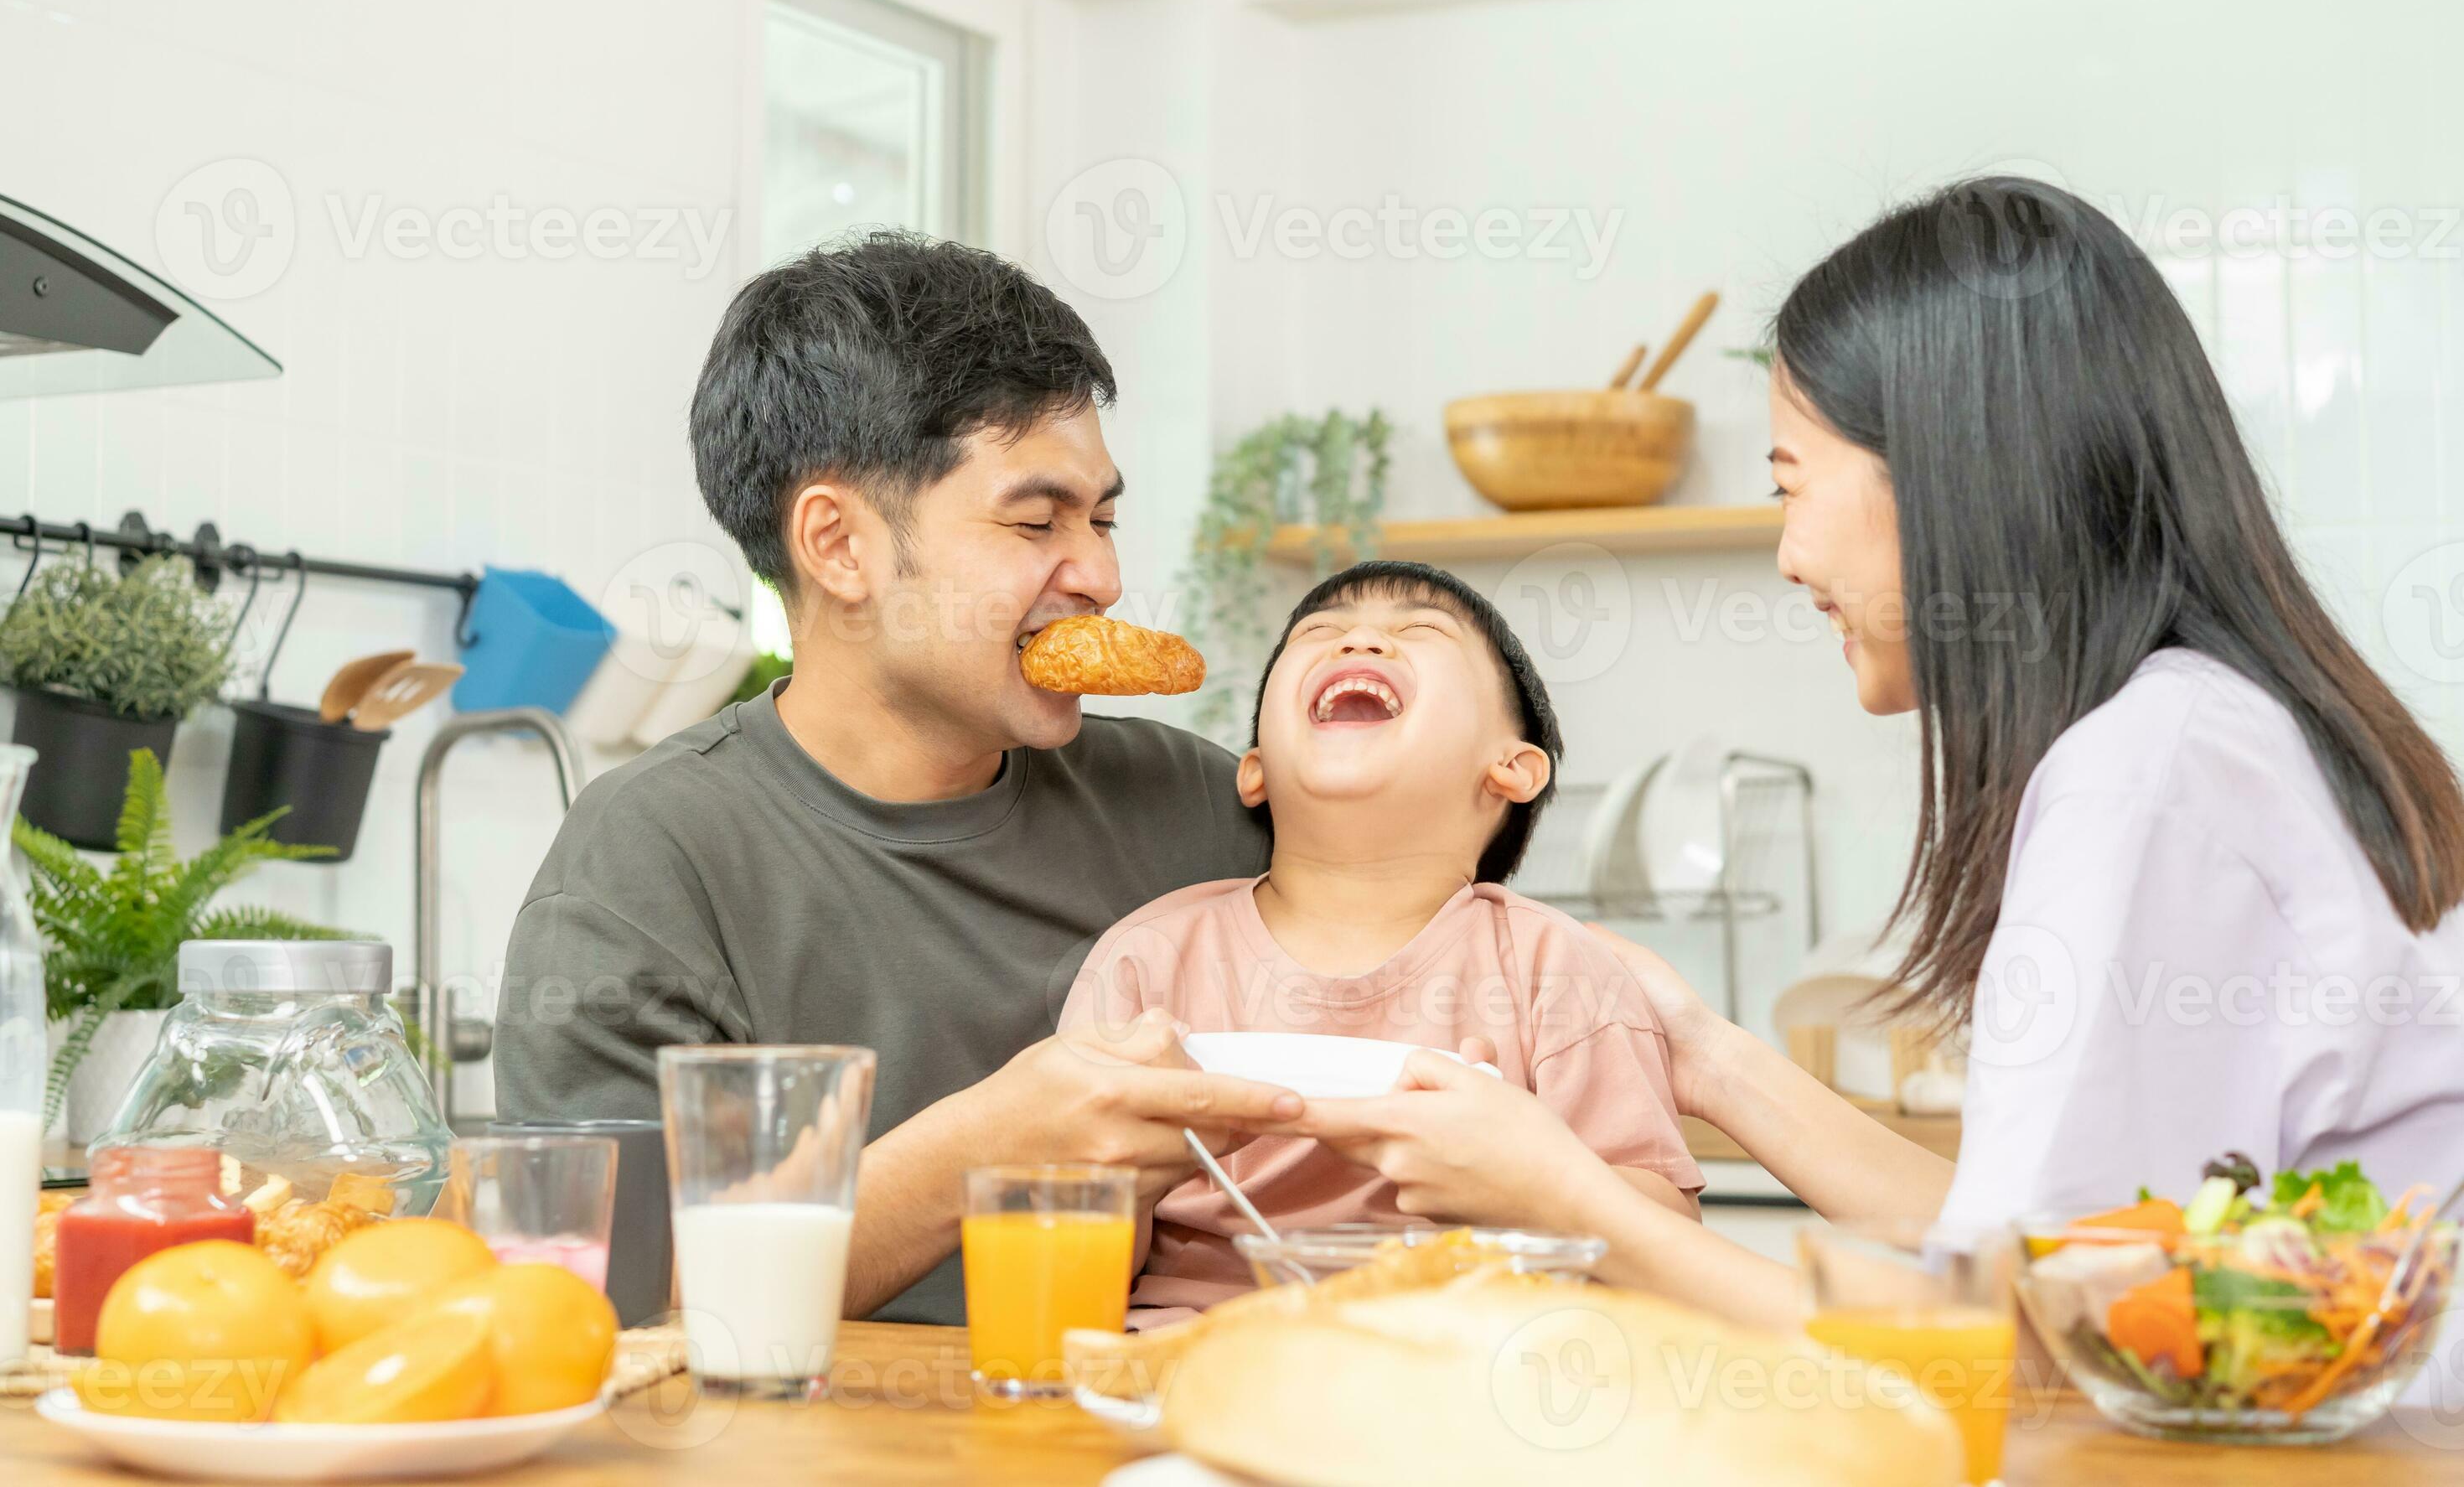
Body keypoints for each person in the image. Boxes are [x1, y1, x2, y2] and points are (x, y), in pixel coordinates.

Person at [1267, 178, 2464, 1328]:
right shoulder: (2199, 729)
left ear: (1949, 473)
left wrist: (1562, 1198)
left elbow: (2018, 1343)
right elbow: (2034, 1250)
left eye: (1791, 486)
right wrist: (1705, 1054)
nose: (1789, 557)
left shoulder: (2142, 778)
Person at [492, 231, 1302, 1326]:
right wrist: (990, 1148)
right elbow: (595, 1305)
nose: (1104, 577)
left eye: (1104, 519)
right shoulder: (651, 863)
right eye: (1037, 521)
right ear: (838, 545)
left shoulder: (1204, 810)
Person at [1060, 562, 1700, 1321]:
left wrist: (1523, 1185)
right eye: (1320, 632)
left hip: (1467, 1362)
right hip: (1186, 1357)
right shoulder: (1146, 960)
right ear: (1254, 772)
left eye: (1420, 629)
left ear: (1511, 768)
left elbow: (1669, 1251)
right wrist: (1123, 1174)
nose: (1359, 640)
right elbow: (1065, 1261)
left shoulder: (1560, 972)